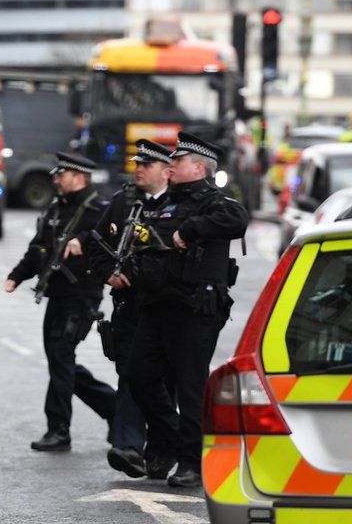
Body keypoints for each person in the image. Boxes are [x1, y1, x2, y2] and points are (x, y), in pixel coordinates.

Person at [128, 131, 249, 488]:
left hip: (194, 309)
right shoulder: (164, 201)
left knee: (190, 387)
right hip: (156, 305)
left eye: (177, 161)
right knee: (139, 376)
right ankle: (173, 437)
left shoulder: (214, 201)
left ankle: (190, 463)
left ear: (198, 167)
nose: (171, 165)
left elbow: (237, 219)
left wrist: (190, 230)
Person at [5, 153, 115, 453]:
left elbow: (110, 241)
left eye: (61, 174)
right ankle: (114, 408)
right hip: (57, 294)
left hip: (81, 295)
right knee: (60, 359)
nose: (55, 179)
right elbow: (38, 248)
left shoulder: (99, 210)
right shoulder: (57, 206)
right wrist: (17, 276)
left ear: (78, 177)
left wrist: (85, 239)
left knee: (60, 354)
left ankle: (59, 428)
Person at [87, 139, 176, 479]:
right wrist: (108, 274)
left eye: (146, 165)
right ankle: (128, 446)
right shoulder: (123, 202)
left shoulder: (178, 204)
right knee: (130, 375)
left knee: (164, 384)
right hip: (129, 307)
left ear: (166, 172)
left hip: (165, 308)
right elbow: (97, 245)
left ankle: (161, 449)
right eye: (137, 163)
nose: (138, 169)